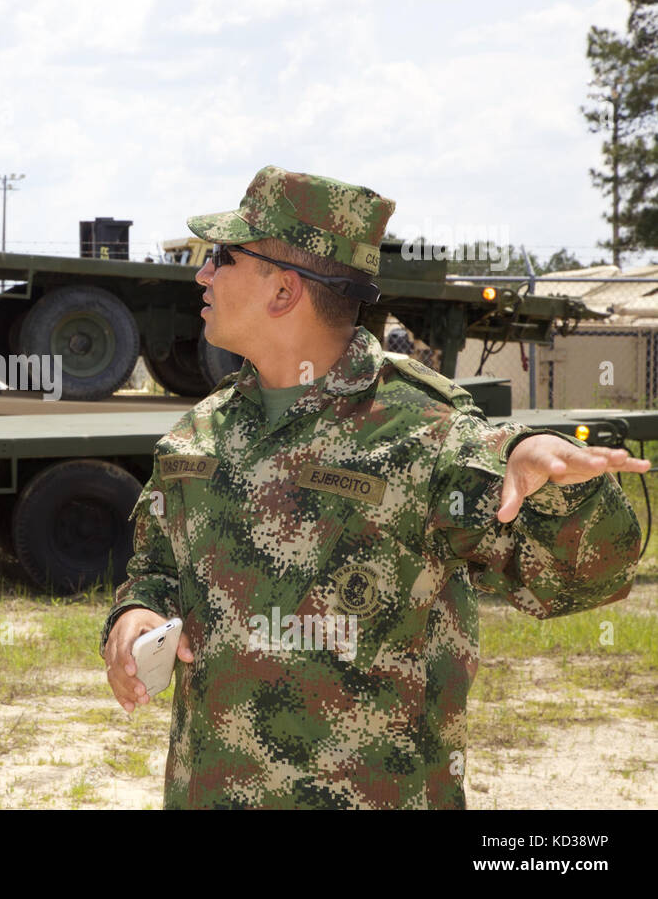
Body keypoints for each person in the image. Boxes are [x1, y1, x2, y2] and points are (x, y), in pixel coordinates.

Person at [101, 165, 650, 809]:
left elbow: (592, 575)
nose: (202, 274)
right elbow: (155, 566)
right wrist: (134, 613)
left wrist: (558, 483)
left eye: (222, 257)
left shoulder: (424, 430)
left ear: (283, 292)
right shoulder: (201, 432)